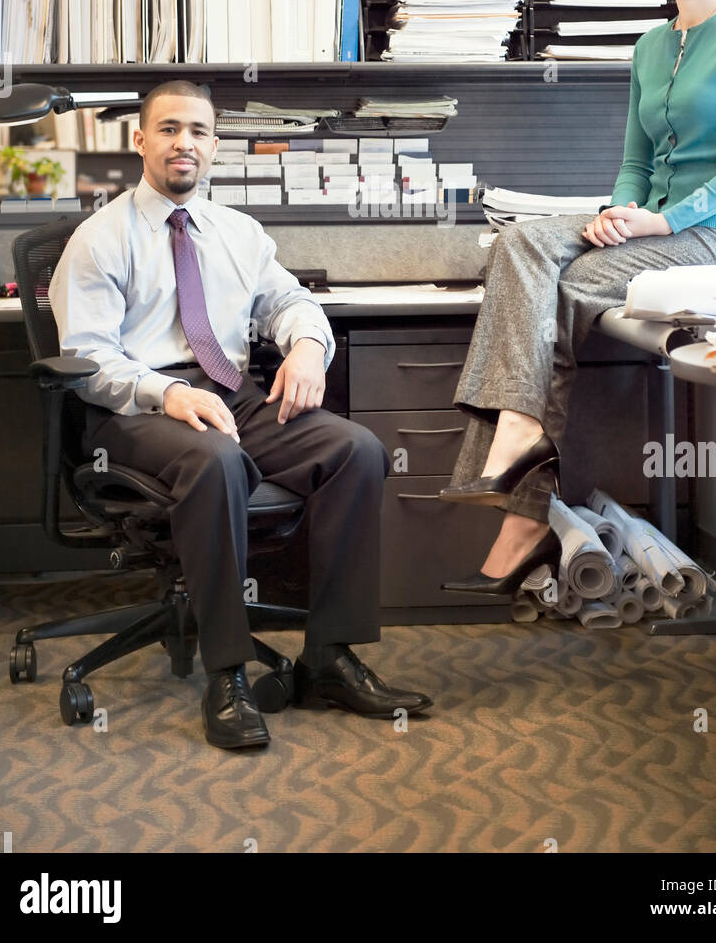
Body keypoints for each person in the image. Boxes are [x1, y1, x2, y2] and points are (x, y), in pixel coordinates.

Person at [49, 80, 431, 750]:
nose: (183, 143)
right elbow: (86, 359)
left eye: (196, 131)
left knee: (356, 450)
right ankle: (225, 672)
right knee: (216, 458)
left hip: (231, 394)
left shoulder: (237, 232)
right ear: (140, 141)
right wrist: (167, 394)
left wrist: (307, 349)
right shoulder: (100, 239)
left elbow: (289, 302)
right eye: (167, 129)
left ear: (214, 146)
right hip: (137, 407)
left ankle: (328, 658)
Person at [439, 0, 716, 596]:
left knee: (560, 287)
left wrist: (662, 219)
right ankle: (521, 437)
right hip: (649, 228)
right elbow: (634, 159)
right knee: (518, 246)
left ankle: (524, 491)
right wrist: (617, 210)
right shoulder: (651, 45)